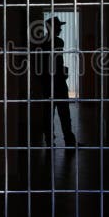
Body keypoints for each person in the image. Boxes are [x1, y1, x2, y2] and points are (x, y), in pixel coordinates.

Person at [32, 17, 77, 147]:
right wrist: (62, 72)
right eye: (58, 27)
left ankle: (49, 141)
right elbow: (55, 63)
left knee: (48, 113)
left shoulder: (41, 43)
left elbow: (41, 64)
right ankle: (69, 141)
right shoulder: (58, 42)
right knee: (64, 113)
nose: (61, 29)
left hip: (47, 83)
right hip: (58, 83)